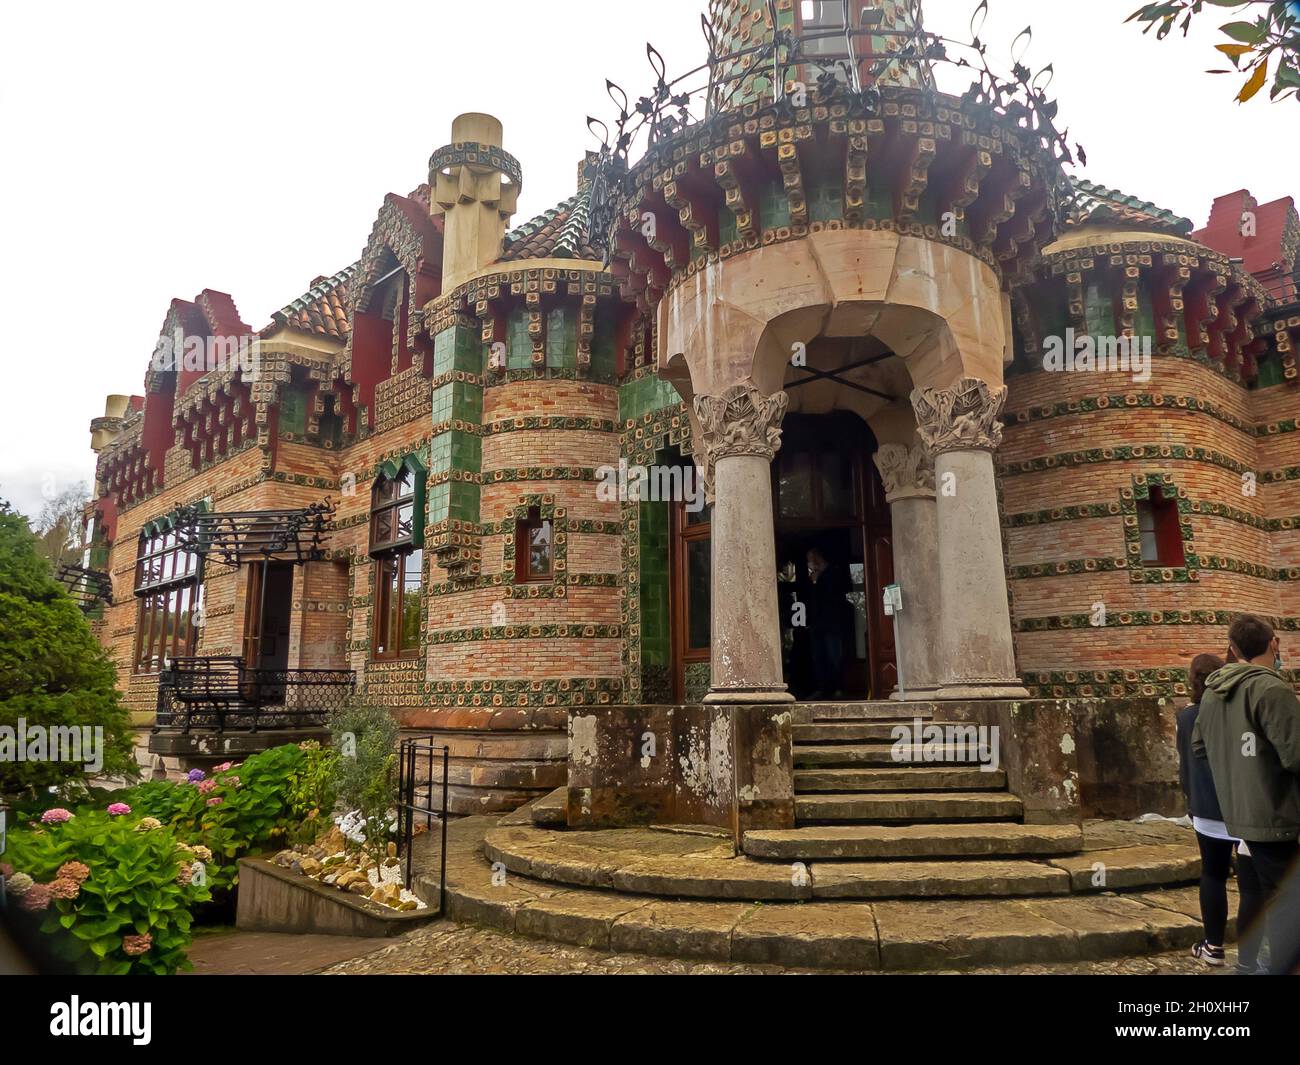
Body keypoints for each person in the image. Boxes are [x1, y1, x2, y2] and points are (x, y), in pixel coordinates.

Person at [1194, 615, 1300, 974]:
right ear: (1273, 643)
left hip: (1239, 815)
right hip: (1278, 814)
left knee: (1269, 896)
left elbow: (1201, 749)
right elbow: (1296, 756)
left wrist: (1239, 774)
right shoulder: (1272, 690)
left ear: (1235, 649)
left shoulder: (1212, 693)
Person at [1175, 652, 1263, 970]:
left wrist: (1191, 801)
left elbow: (1186, 765)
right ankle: (1250, 957)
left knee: (1213, 874)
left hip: (1207, 811)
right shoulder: (1237, 713)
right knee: (1250, 883)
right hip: (1246, 810)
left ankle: (1213, 946)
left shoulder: (1187, 717)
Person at [800, 547, 848, 700]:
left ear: (817, 559)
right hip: (817, 625)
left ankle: (839, 688)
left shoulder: (833, 574)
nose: (809, 564)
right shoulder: (814, 577)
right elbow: (811, 600)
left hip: (832, 624)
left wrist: (816, 582)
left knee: (835, 656)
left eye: (810, 560)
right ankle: (823, 689)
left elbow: (834, 597)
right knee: (819, 657)